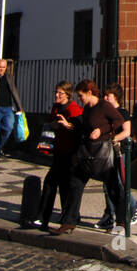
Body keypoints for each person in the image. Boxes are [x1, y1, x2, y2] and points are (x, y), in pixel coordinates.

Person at [52, 79, 125, 234]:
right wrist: (70, 126)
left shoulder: (104, 106)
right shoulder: (87, 109)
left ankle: (122, 222)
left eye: (81, 95)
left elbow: (118, 120)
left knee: (113, 188)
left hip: (102, 153)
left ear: (89, 92)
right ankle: (69, 222)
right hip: (87, 153)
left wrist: (102, 130)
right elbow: (84, 128)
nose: (79, 99)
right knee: (75, 184)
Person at [35, 81, 82, 229]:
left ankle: (54, 216)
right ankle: (56, 216)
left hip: (70, 152)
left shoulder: (74, 109)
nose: (56, 95)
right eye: (56, 92)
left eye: (60, 93)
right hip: (59, 150)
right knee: (55, 183)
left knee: (58, 183)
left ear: (68, 95)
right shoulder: (56, 107)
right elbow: (51, 123)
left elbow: (78, 128)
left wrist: (67, 125)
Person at [98, 83, 137, 229]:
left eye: (108, 95)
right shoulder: (106, 112)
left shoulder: (122, 113)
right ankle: (110, 215)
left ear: (116, 97)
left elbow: (127, 132)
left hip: (120, 151)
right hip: (108, 151)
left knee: (119, 183)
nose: (105, 98)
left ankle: (135, 206)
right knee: (108, 184)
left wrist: (113, 138)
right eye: (104, 95)